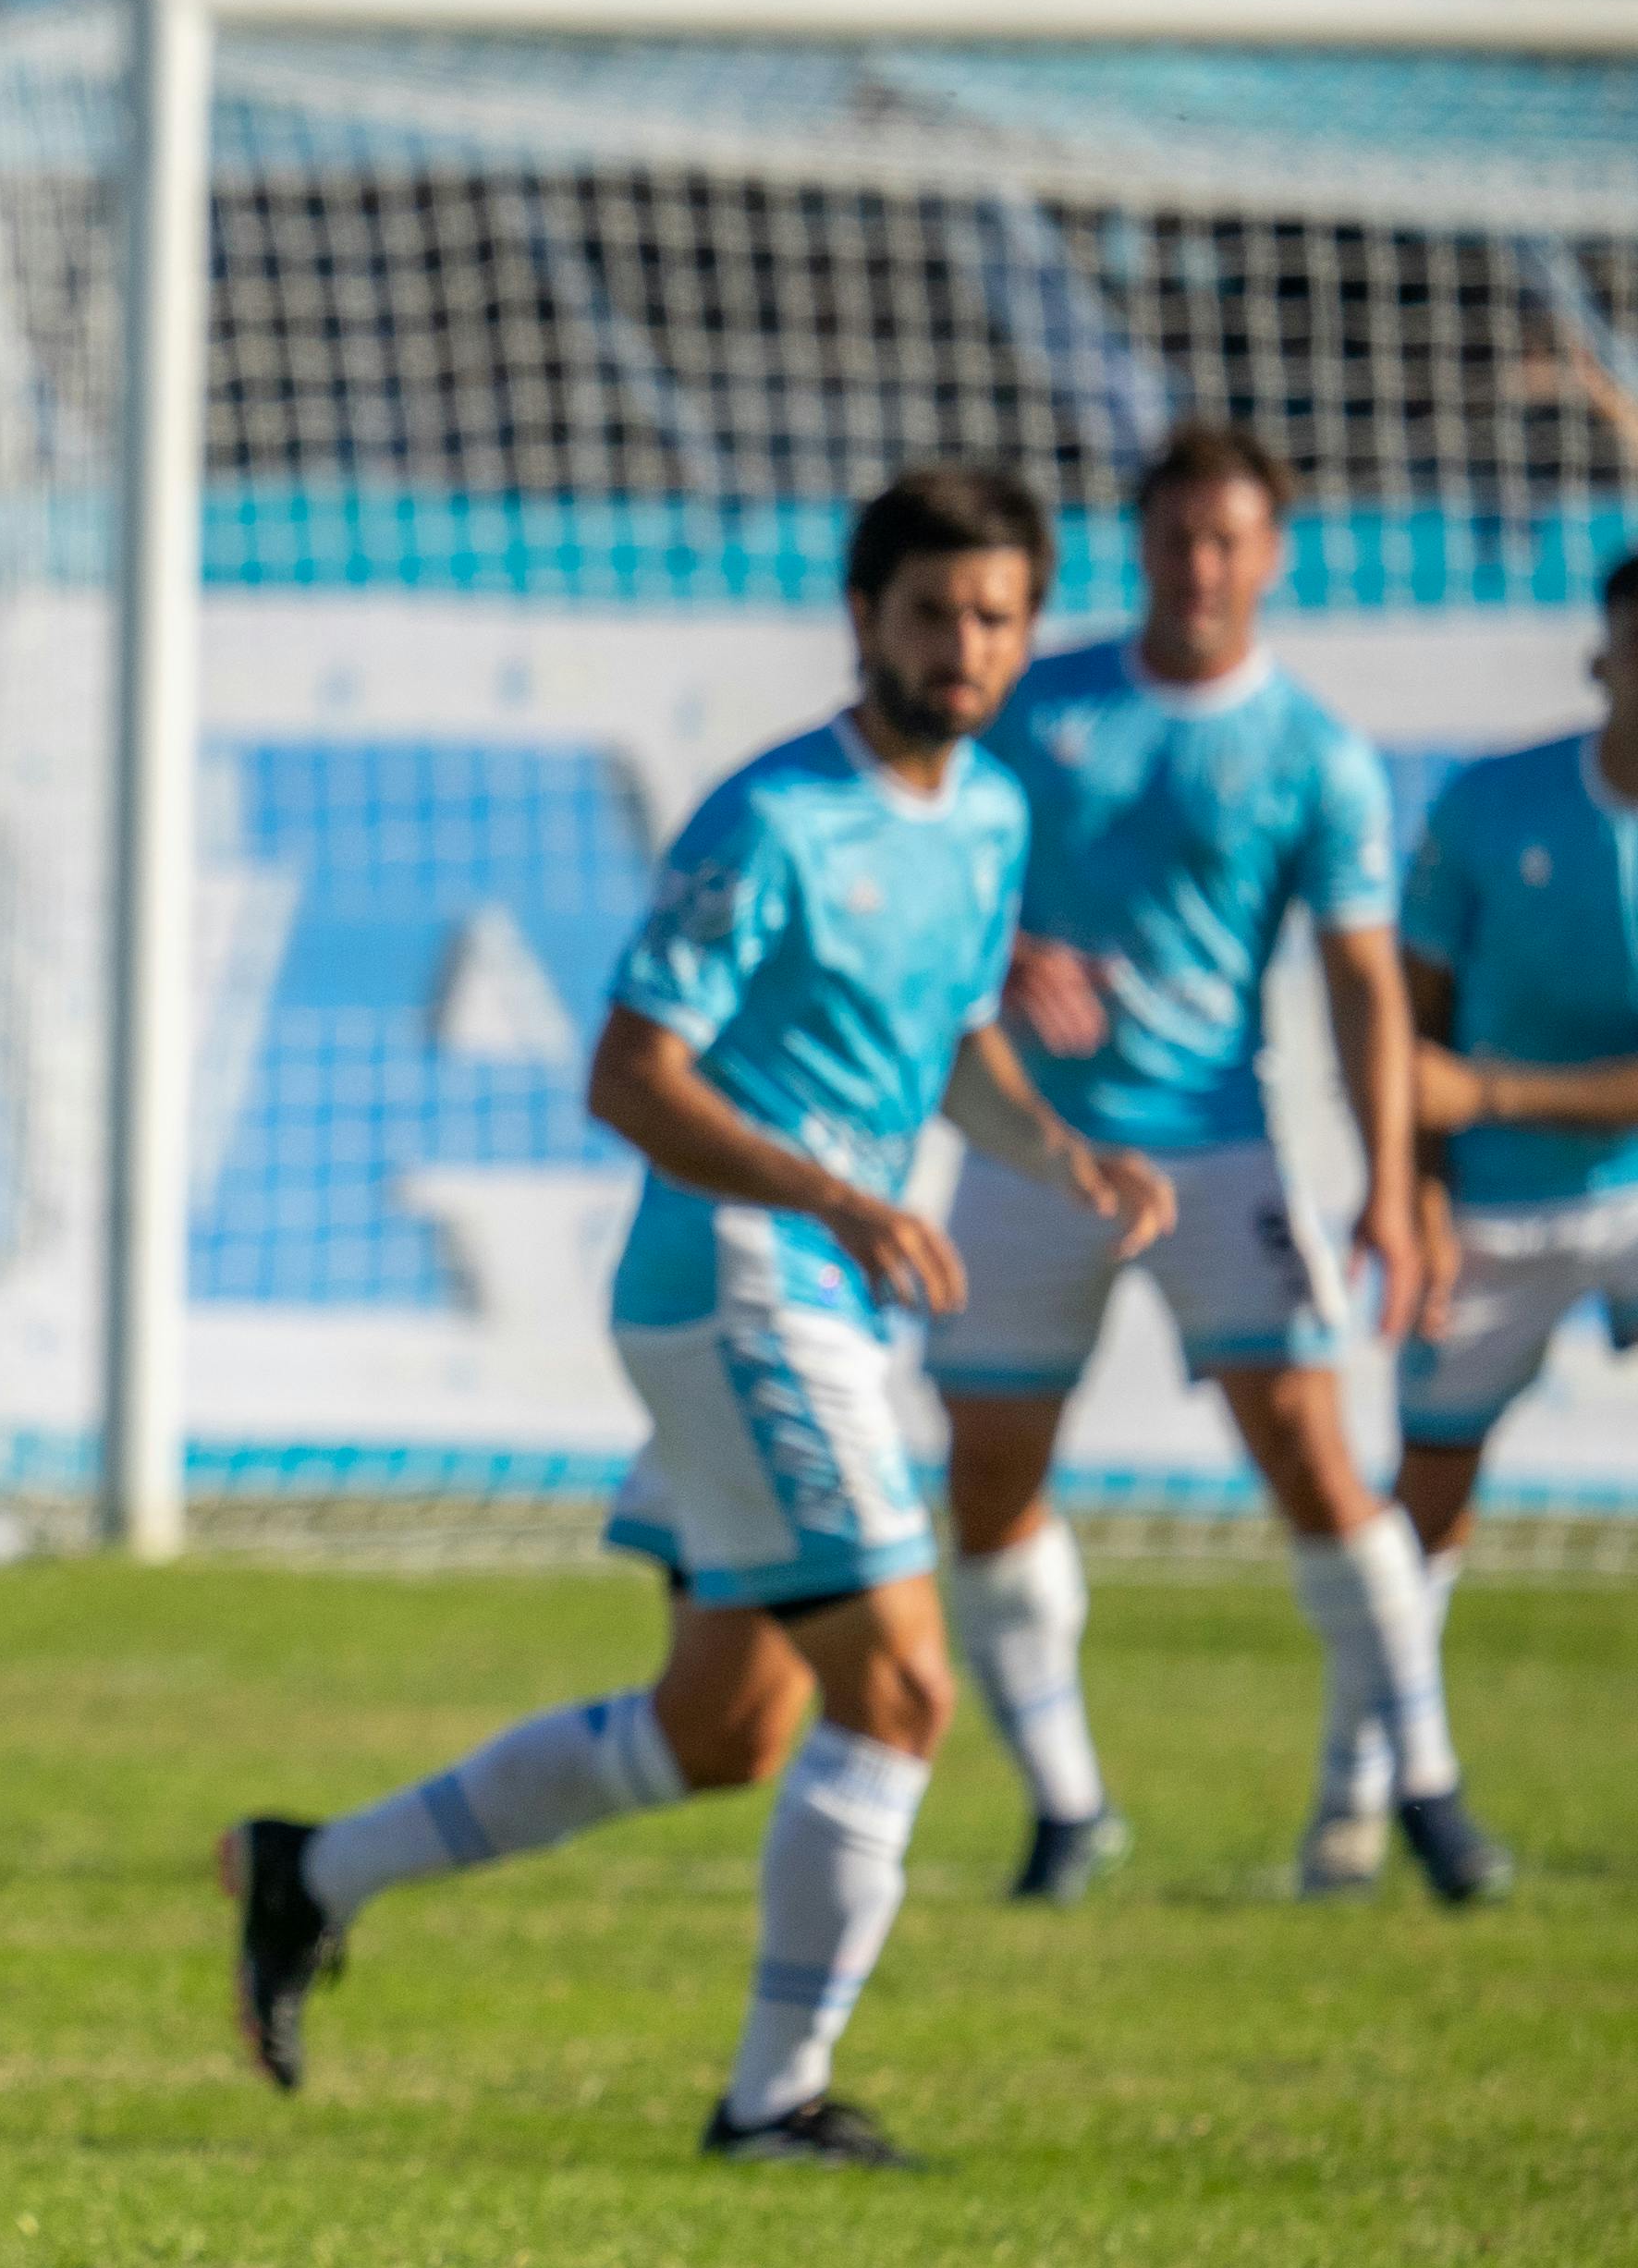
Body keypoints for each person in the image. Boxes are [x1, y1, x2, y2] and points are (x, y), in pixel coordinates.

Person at [224, 466, 1174, 2170]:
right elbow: (628, 1074)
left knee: (721, 1730)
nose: (963, 647)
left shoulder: (988, 814)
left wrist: (1064, 1151)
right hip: (744, 1282)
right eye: (931, 613)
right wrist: (833, 1195)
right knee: (899, 1691)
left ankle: (316, 1870)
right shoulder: (774, 821)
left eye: (996, 617)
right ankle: (771, 2106)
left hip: (816, 1288)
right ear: (863, 621)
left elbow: (954, 1043)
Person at [923, 424, 1501, 1907]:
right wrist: (1009, 950)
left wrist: (1390, 1179)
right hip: (1033, 1153)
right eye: (1175, 537)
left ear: (1272, 557)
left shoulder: (1315, 755)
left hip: (1222, 1148)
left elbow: (1366, 983)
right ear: (1141, 546)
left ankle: (1419, 1789)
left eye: (1225, 541)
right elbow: (932, 878)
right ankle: (1066, 1806)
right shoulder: (1037, 710)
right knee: (989, 1477)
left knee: (1312, 1455)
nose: (1198, 568)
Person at [1378, 553, 1638, 1689]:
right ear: (1602, 659)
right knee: (1426, 1498)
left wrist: (1489, 1091)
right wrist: (1418, 1192)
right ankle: (1368, 1783)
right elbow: (1408, 1020)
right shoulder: (1492, 803)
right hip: (1493, 1201)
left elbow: (1453, 1073)